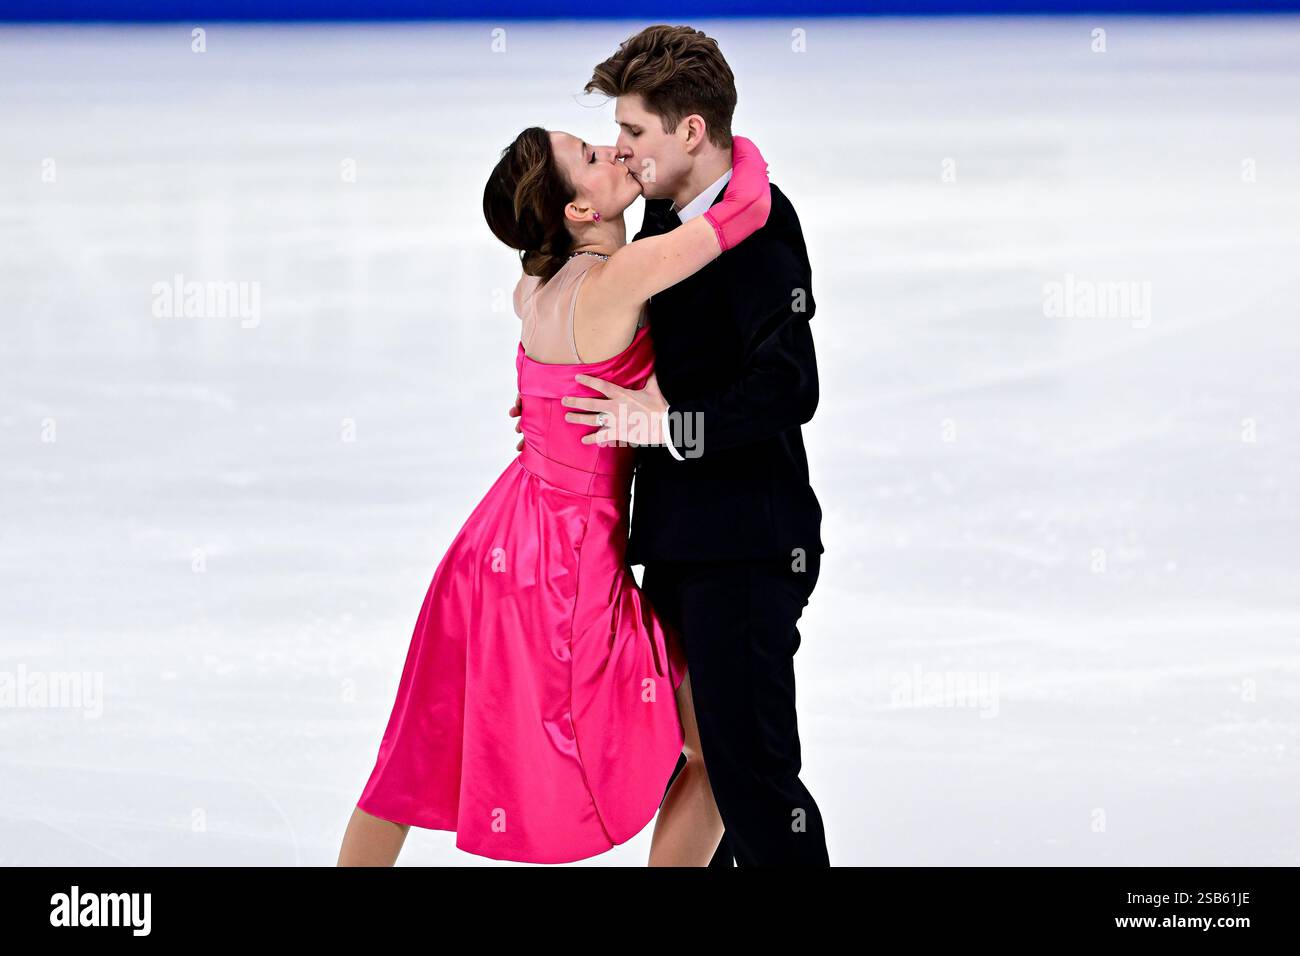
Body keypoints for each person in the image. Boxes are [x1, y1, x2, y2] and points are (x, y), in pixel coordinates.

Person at [336, 117, 773, 865]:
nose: (619, 152)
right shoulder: (617, 279)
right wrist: (718, 131)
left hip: (496, 539)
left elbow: (544, 343)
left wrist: (543, 410)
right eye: (596, 157)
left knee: (410, 758)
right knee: (709, 745)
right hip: (564, 560)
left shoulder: (534, 284)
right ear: (581, 211)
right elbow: (745, 209)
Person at [550, 24, 829, 867]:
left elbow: (792, 388)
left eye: (635, 132)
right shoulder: (671, 214)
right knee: (701, 771)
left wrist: (670, 425)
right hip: (680, 543)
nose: (623, 151)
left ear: (691, 132)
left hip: (748, 548)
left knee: (754, 782)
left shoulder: (762, 233)